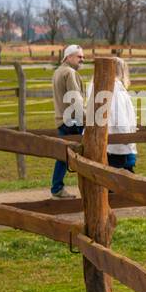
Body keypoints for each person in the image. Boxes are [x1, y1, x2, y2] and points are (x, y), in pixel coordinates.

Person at [82, 56, 138, 172]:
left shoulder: (95, 84)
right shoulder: (115, 88)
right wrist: (126, 136)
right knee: (121, 177)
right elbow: (119, 114)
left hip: (103, 137)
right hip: (116, 139)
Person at [50, 44, 85, 197]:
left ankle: (57, 187)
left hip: (62, 119)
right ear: (69, 57)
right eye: (79, 57)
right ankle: (92, 187)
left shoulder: (58, 72)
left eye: (83, 57)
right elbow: (76, 100)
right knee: (86, 154)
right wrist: (86, 119)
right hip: (72, 121)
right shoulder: (70, 73)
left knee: (64, 156)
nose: (82, 60)